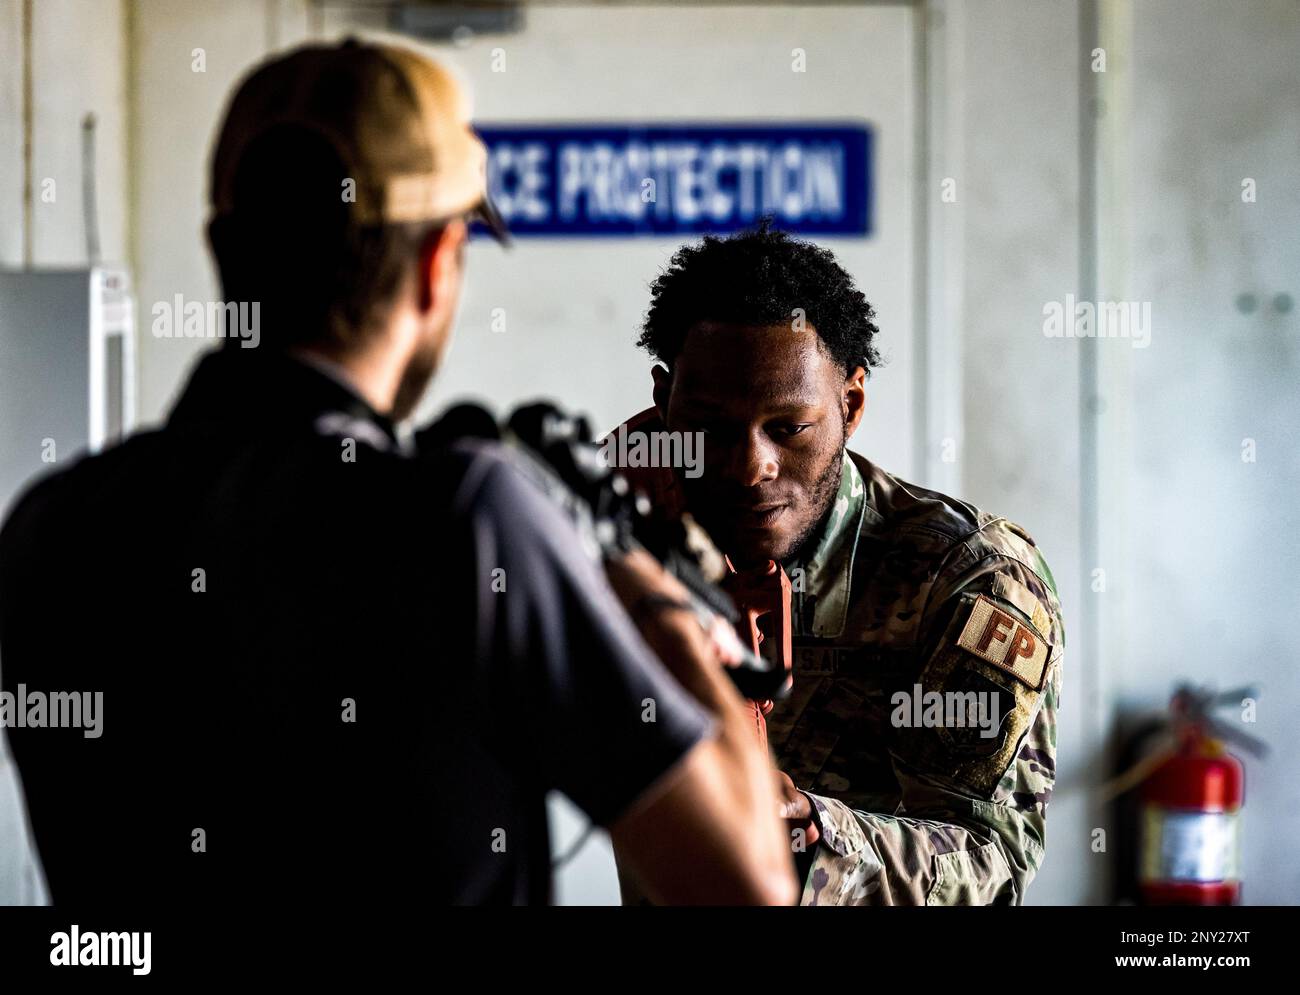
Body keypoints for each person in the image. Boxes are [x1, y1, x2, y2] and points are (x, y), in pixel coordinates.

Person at [0, 40, 794, 907]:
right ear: (435, 265)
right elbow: (744, 883)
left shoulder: (50, 524)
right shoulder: (470, 518)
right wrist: (647, 584)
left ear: (224, 245)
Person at [614, 221, 1064, 905]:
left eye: (788, 427)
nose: (749, 466)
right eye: (709, 426)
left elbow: (990, 858)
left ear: (850, 405)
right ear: (664, 401)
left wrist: (819, 835)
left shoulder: (969, 580)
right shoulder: (623, 538)